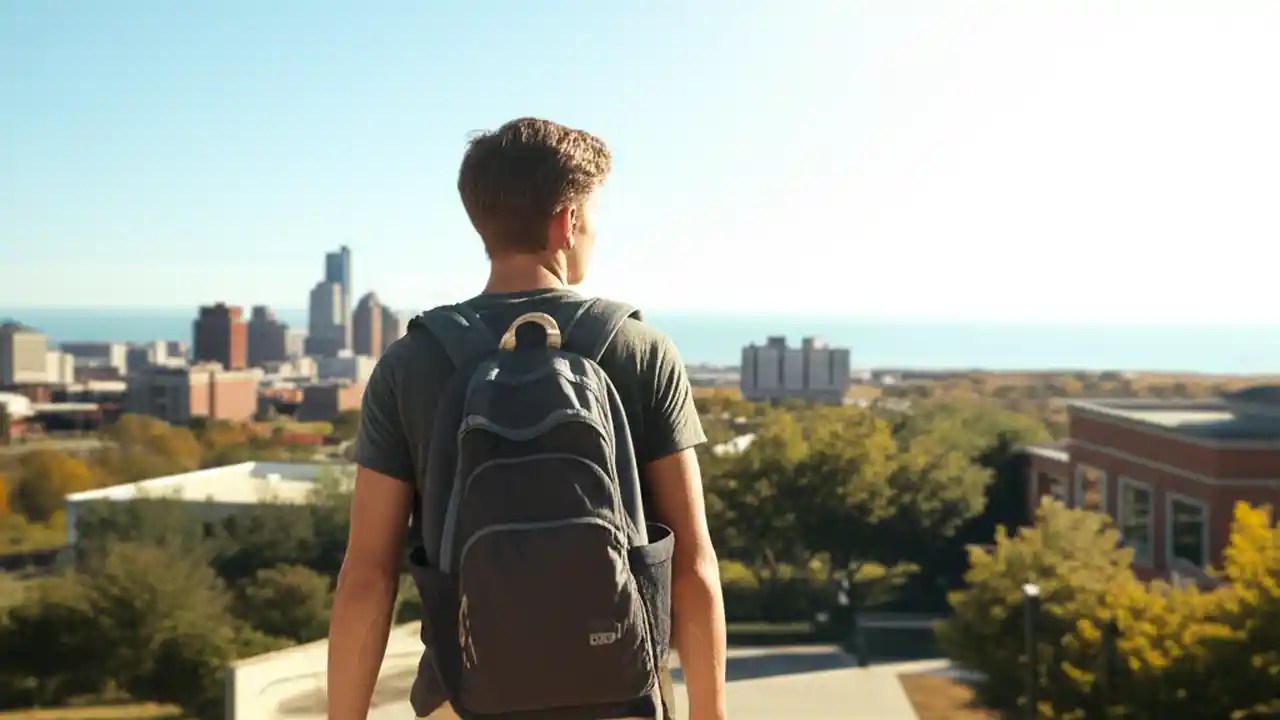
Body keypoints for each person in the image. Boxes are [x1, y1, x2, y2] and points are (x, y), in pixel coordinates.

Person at [327, 117, 728, 720]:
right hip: (619, 693)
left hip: (461, 698)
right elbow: (693, 561)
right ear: (566, 221)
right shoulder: (639, 350)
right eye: (592, 217)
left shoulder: (412, 362)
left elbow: (367, 574)